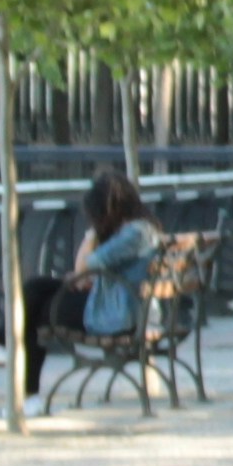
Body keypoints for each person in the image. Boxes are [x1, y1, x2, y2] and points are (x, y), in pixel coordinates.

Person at [32, 169, 157, 396]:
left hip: (117, 317)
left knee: (35, 311)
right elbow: (94, 272)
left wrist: (92, 235)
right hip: (121, 305)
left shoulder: (134, 233)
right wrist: (89, 280)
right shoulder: (142, 229)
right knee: (37, 287)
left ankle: (24, 386)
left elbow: (83, 267)